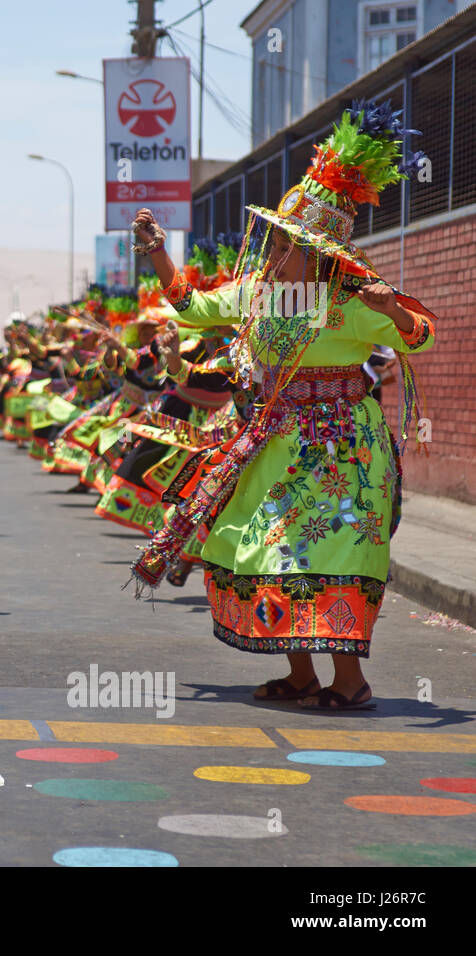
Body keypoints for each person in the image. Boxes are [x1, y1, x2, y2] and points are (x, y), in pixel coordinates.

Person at [129, 100, 437, 710]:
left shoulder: (351, 303)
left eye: (286, 242)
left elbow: (419, 335)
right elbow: (189, 306)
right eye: (274, 239)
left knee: (332, 552)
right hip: (275, 444)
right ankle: (302, 675)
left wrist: (392, 309)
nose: (272, 250)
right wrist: (159, 252)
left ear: (318, 255)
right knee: (270, 552)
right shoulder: (256, 295)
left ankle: (350, 682)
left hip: (342, 451)